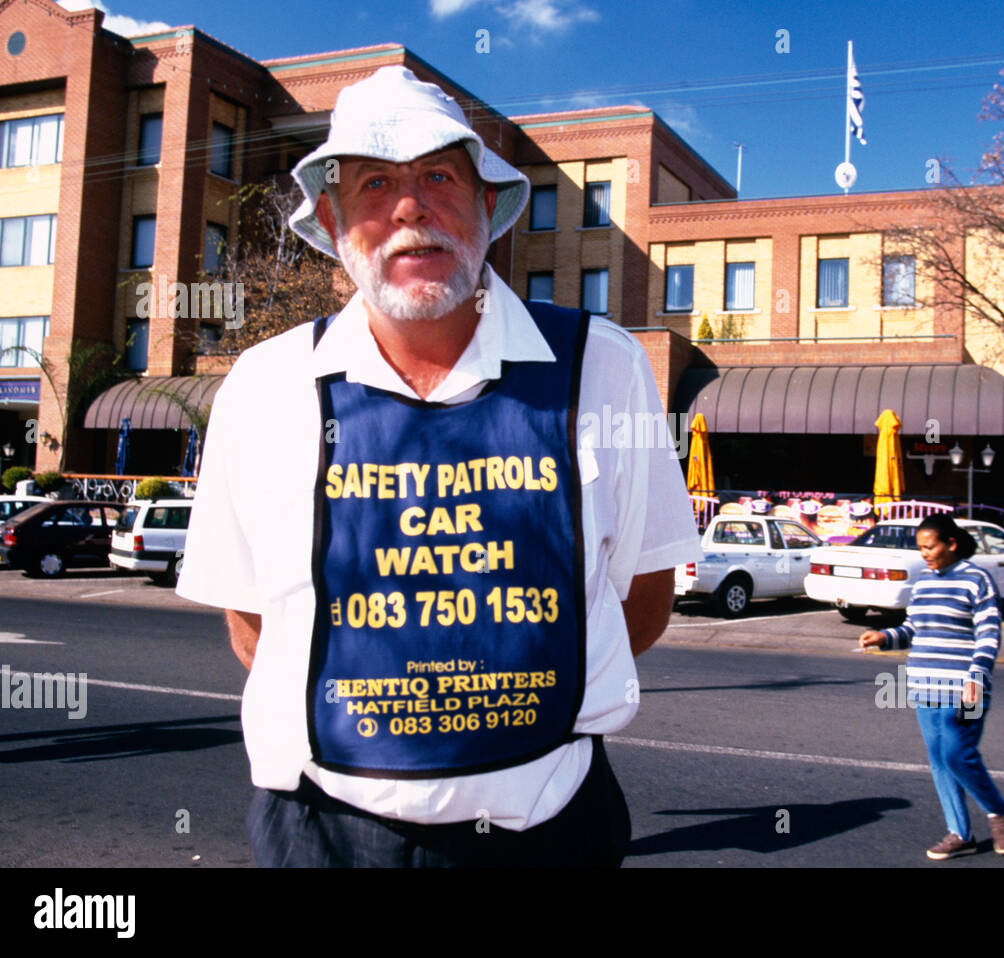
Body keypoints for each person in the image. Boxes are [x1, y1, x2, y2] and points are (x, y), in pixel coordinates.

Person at [176, 66, 703, 867]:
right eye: (376, 182)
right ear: (332, 218)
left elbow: (644, 597)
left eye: (438, 177)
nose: (410, 206)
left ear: (488, 206)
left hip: (551, 831)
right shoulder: (263, 384)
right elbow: (253, 625)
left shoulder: (605, 366)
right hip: (327, 837)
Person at [858, 513, 1004, 860]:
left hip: (968, 687)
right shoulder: (924, 582)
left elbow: (989, 634)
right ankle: (960, 833)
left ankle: (996, 810)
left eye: (930, 547)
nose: (925, 554)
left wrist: (977, 676)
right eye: (920, 549)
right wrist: (885, 636)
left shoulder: (977, 580)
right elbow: (913, 628)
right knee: (939, 760)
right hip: (924, 683)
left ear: (951, 544)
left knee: (958, 753)